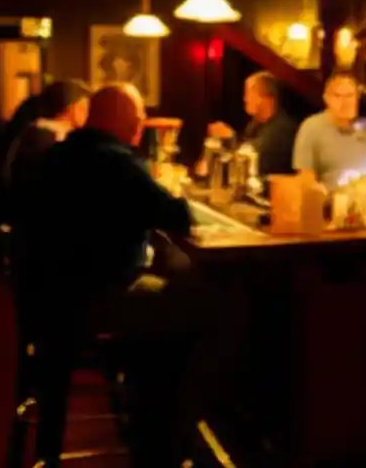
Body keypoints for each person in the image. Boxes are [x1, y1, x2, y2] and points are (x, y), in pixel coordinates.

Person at [19, 84, 218, 467]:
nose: (140, 128)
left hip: (47, 302)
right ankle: (167, 437)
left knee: (166, 309)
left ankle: (148, 413)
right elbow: (177, 216)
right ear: (128, 124)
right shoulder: (116, 163)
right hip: (94, 302)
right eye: (139, 120)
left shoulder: (56, 156)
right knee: (206, 308)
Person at [3, 79, 91, 204]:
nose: (87, 114)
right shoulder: (45, 137)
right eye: (83, 108)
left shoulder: (46, 133)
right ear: (70, 109)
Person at [292, 70, 366, 188]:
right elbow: (305, 180)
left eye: (350, 95)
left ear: (357, 97)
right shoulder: (311, 128)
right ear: (326, 98)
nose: (345, 102)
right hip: (330, 201)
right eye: (338, 96)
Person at [207, 71, 298, 177]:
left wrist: (230, 138)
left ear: (266, 98)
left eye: (249, 93)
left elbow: (249, 159)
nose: (245, 99)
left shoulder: (281, 130)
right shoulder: (255, 124)